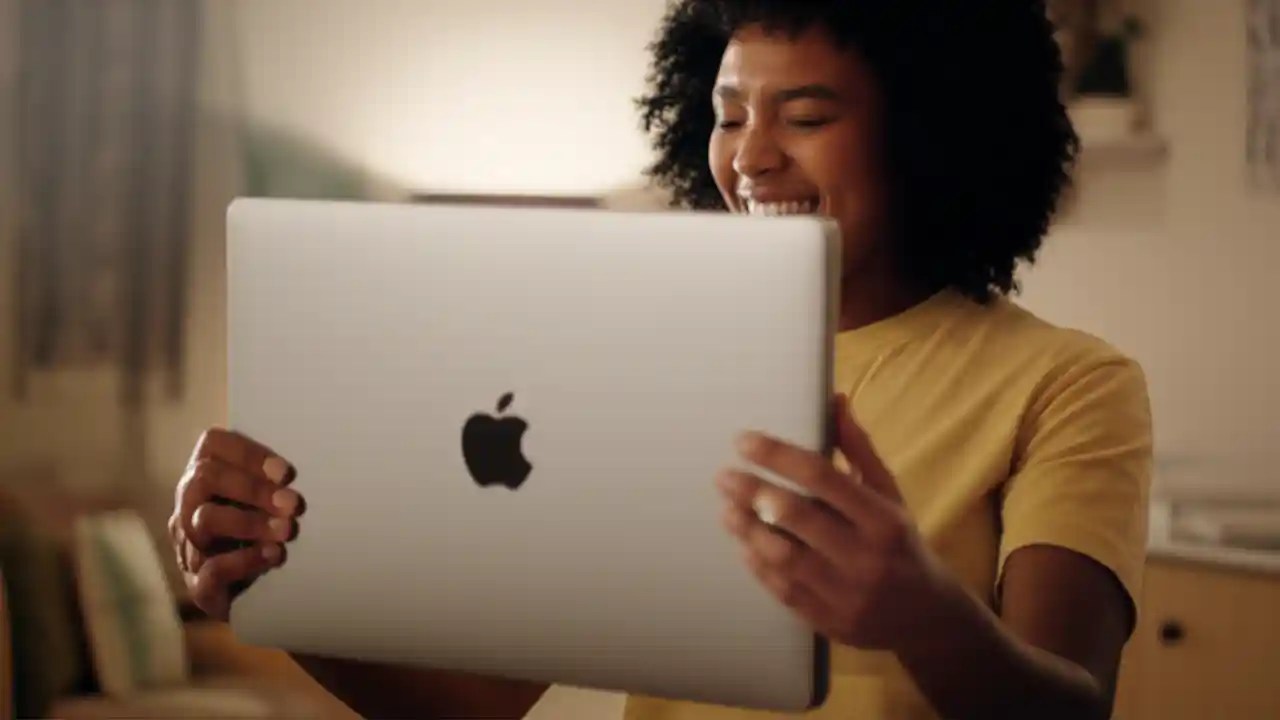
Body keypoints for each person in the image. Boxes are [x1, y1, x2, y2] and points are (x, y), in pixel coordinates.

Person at [169, 1, 1153, 718]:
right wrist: (272, 589)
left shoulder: (1065, 385)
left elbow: (1071, 705)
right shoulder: (640, 359)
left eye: (804, 118)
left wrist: (921, 612)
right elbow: (481, 703)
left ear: (928, 137)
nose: (750, 157)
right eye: (728, 115)